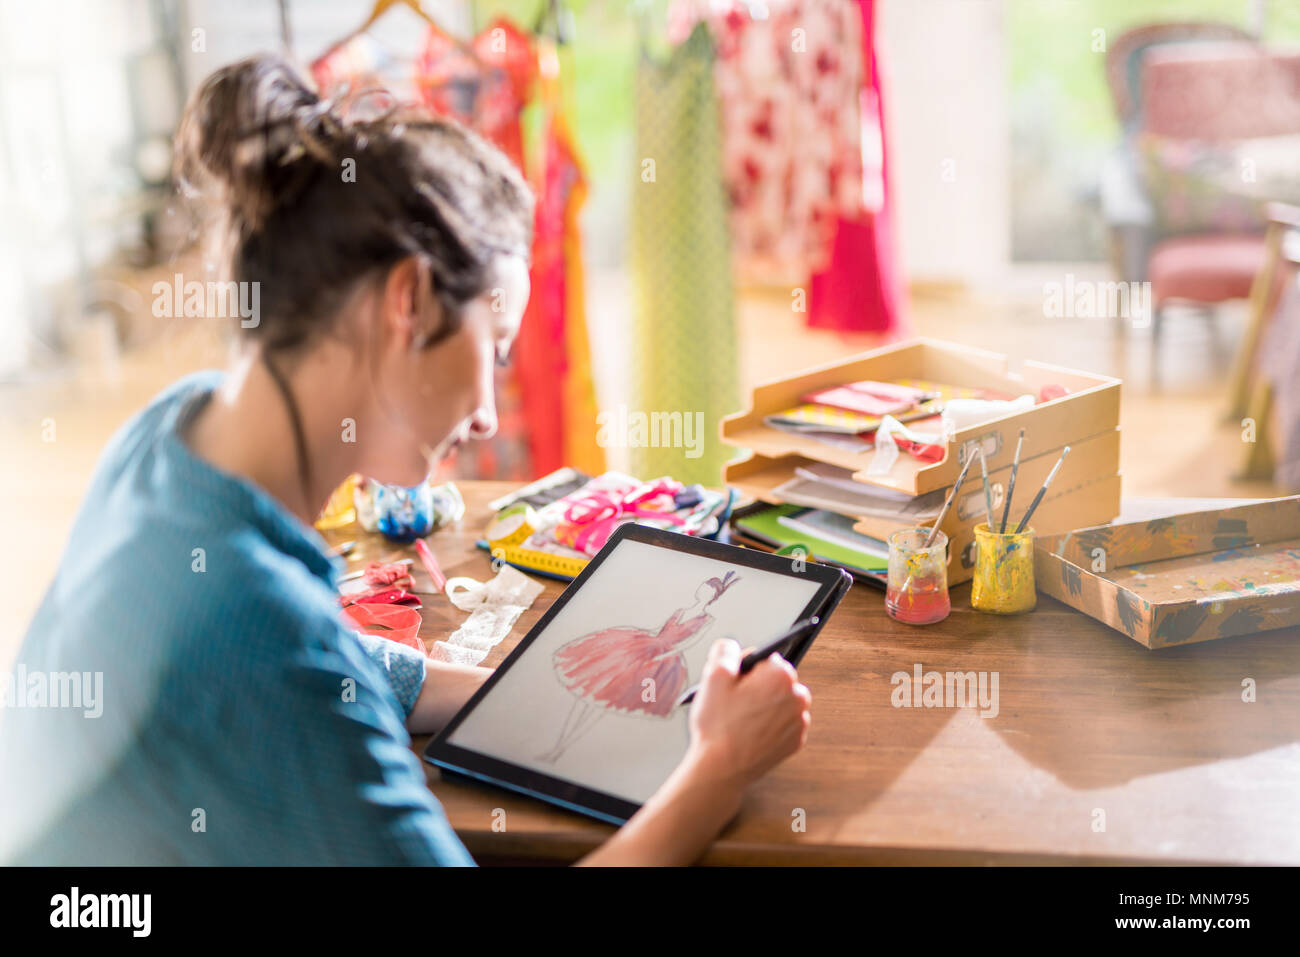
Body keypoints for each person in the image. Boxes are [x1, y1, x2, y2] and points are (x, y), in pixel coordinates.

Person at [0, 54, 811, 866]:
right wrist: (717, 768)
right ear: (408, 300)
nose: (491, 410)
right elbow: (281, 656)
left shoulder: (168, 429)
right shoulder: (266, 637)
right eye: (493, 351)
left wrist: (484, 688)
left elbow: (304, 655)